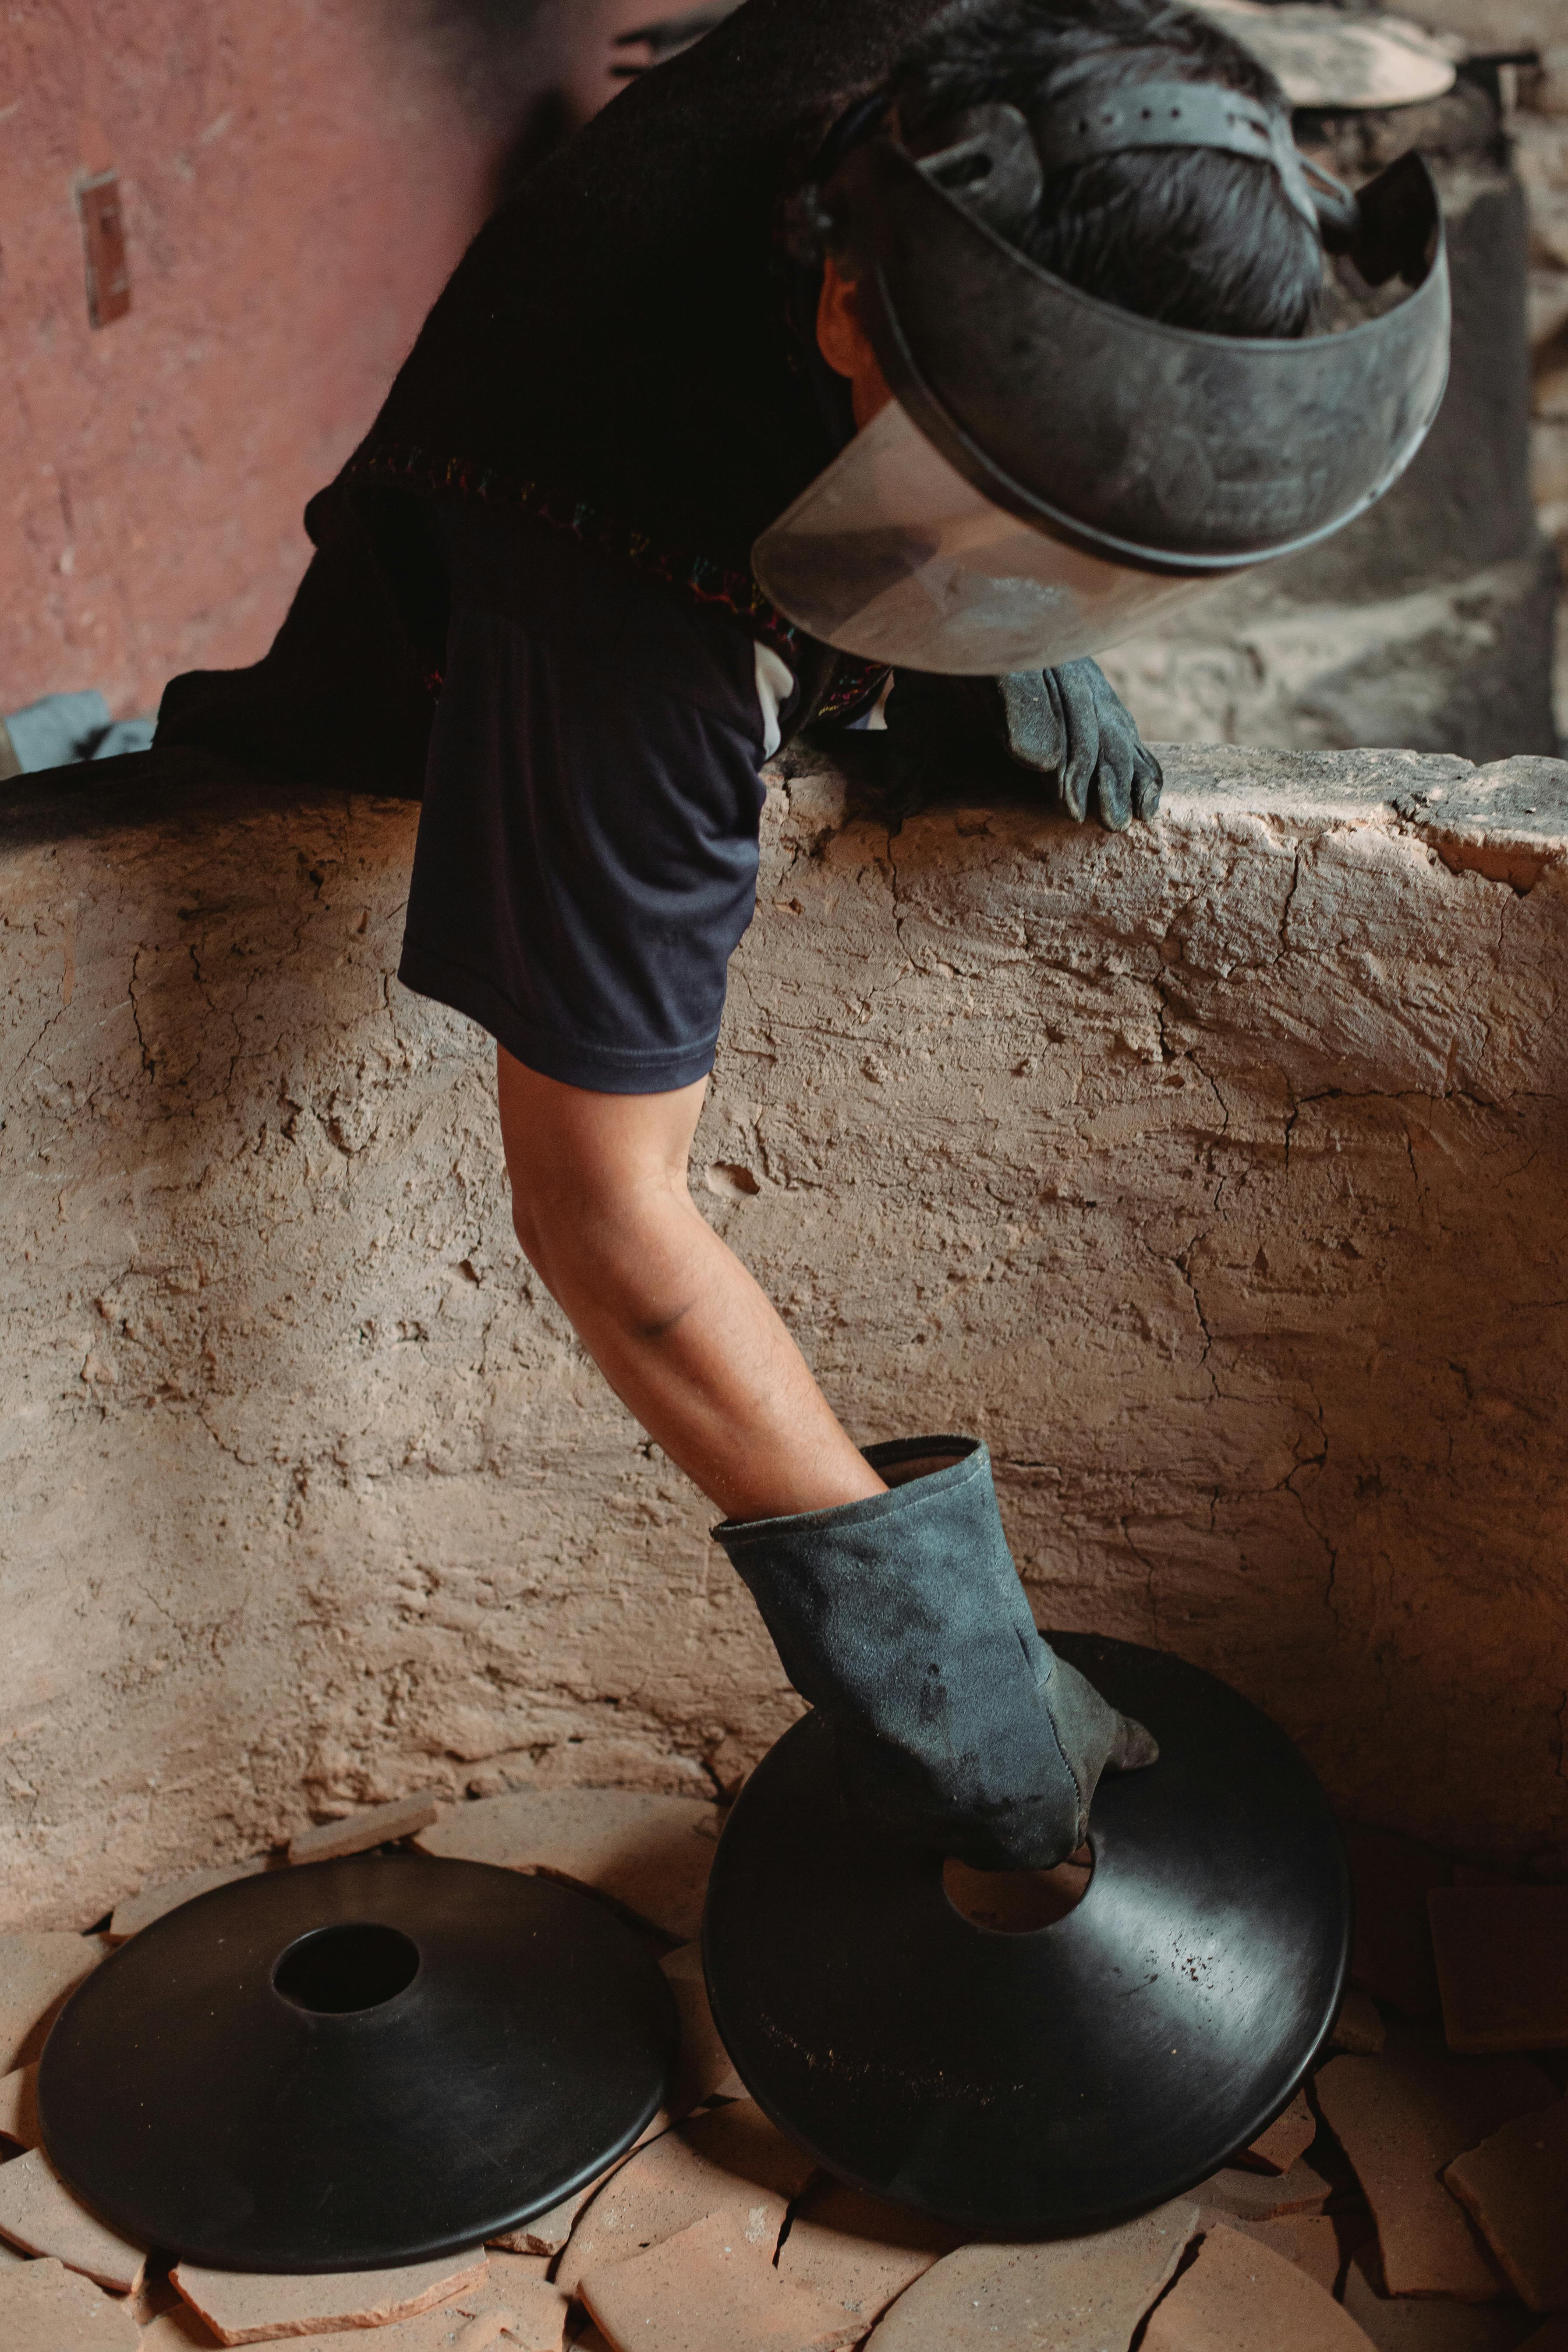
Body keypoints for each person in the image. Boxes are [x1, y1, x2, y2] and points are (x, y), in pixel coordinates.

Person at [156, 0, 1447, 1871]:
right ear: (851, 313)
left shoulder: (1033, 76)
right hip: (452, 633)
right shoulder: (624, 630)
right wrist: (951, 1674)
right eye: (1012, 516)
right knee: (276, 769)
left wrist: (1026, 590)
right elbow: (609, 1214)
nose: (1045, 586)